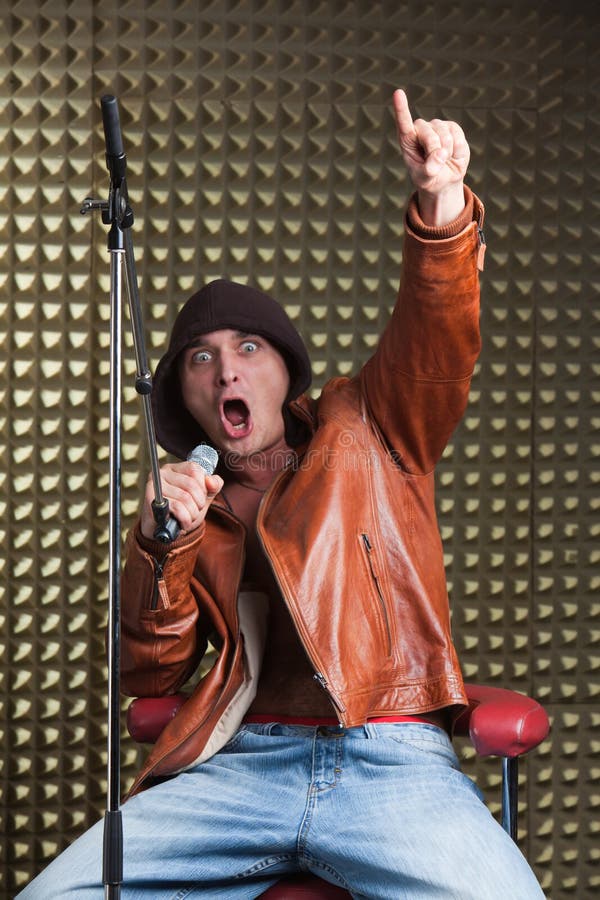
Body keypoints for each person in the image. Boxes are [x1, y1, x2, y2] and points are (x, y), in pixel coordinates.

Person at [18, 89, 544, 899]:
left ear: (285, 371)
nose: (226, 370)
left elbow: (433, 340)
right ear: (183, 399)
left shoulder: (369, 425)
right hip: (242, 765)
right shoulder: (189, 507)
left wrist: (441, 205)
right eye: (200, 358)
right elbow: (152, 680)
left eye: (248, 347)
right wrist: (162, 547)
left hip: (390, 757)